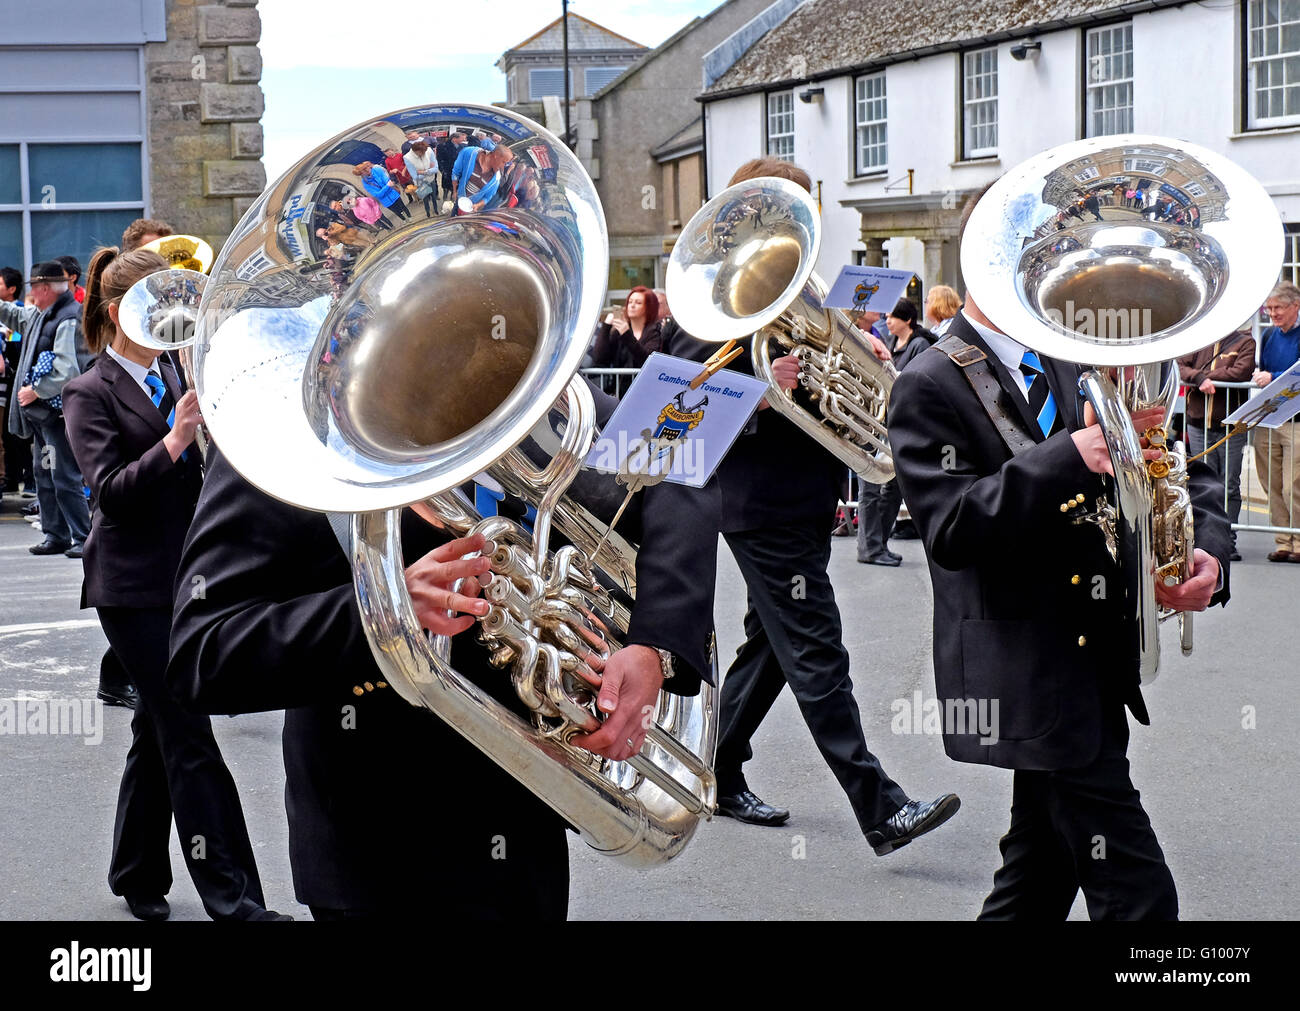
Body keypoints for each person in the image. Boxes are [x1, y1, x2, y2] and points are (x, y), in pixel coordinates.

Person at [167, 380, 723, 919]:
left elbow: (681, 459)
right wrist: (379, 614)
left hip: (523, 823)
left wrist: (655, 644)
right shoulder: (283, 428)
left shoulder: (511, 376)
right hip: (377, 851)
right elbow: (204, 653)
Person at [887, 188, 1231, 920]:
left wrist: (1208, 554)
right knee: (1138, 895)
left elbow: (1177, 464)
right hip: (1028, 675)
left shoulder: (1077, 355)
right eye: (1038, 255)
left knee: (1036, 882)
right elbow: (949, 528)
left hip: (1096, 663)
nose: (1058, 270)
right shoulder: (929, 380)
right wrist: (1065, 458)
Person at [659, 156, 959, 855]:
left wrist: (855, 348)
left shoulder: (803, 289)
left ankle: (717, 767)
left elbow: (829, 383)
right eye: (780, 211)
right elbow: (678, 397)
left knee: (771, 646)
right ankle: (880, 807)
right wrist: (763, 388)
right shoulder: (716, 293)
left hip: (803, 494)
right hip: (758, 500)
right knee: (818, 649)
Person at [61, 246, 283, 922]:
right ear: (114, 311)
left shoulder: (171, 371)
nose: (167, 319)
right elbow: (112, 492)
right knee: (189, 734)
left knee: (154, 731)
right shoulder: (87, 391)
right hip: (130, 590)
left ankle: (136, 871)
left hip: (188, 577)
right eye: (151, 307)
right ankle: (236, 900)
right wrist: (174, 441)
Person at [0, 262, 91, 556]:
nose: (32, 296)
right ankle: (56, 535)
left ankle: (81, 537)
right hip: (45, 415)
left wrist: (35, 391)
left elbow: (67, 371)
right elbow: (14, 314)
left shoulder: (65, 319)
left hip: (55, 414)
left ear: (44, 289)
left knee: (63, 476)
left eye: (34, 289)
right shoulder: (46, 314)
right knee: (45, 475)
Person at [856, 297, 936, 567]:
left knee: (892, 485)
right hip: (881, 418)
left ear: (908, 320)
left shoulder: (918, 344)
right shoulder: (891, 343)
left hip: (900, 419)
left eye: (892, 316)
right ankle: (870, 546)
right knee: (871, 485)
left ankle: (878, 543)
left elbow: (916, 379)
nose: (886, 320)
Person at [1177, 323, 1255, 562]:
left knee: (1229, 484)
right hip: (1198, 424)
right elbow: (1180, 367)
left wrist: (1205, 377)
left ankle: (1228, 540)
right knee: (1204, 484)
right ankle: (1206, 540)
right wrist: (1198, 377)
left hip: (1230, 427)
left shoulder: (1245, 342)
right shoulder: (1200, 340)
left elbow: (1240, 373)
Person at [1251, 281, 1300, 562]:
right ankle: (1284, 541)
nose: (1272, 313)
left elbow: (1288, 373)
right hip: (1270, 418)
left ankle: (1298, 541)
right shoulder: (1269, 335)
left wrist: (1274, 377)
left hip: (1296, 421)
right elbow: (1265, 369)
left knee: (1294, 484)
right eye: (1269, 308)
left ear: (1295, 305)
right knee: (1271, 482)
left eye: (1278, 307)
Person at [589, 287, 662, 370]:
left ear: (649, 307)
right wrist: (606, 326)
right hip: (620, 382)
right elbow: (600, 359)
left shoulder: (655, 331)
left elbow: (647, 361)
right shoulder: (619, 332)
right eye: (630, 302)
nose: (632, 305)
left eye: (638, 303)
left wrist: (626, 334)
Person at [403, 139, 439, 217]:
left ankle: (436, 210)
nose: (423, 154)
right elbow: (415, 176)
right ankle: (428, 212)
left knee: (434, 197)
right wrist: (429, 170)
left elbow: (436, 168)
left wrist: (423, 172)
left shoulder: (428, 150)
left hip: (431, 179)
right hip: (421, 183)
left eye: (424, 152)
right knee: (425, 199)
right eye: (421, 153)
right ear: (415, 151)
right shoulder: (407, 158)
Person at [436, 132, 466, 205]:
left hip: (458, 172)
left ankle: (452, 201)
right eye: (461, 139)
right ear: (454, 139)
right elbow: (439, 159)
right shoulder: (442, 146)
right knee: (446, 188)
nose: (463, 140)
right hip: (447, 171)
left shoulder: (463, 146)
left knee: (455, 187)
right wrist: (442, 170)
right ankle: (445, 200)